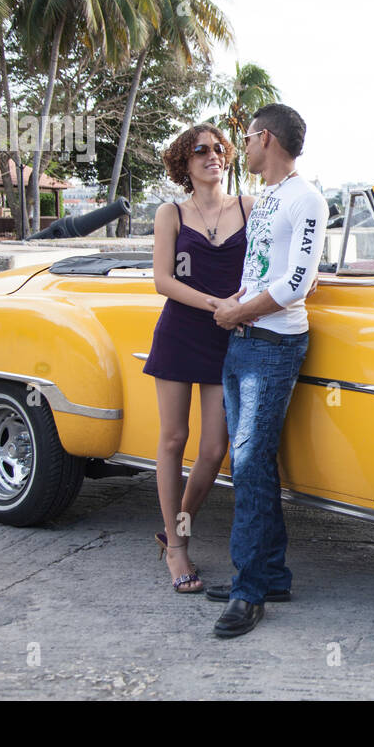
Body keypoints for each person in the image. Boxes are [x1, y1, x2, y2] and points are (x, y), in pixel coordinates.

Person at [206, 103, 329, 638]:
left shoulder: (306, 199)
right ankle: (269, 573)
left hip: (272, 345)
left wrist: (239, 311)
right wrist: (238, 298)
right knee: (251, 462)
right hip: (246, 338)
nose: (243, 146)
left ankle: (248, 590)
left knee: (249, 463)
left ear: (268, 139)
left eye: (247, 136)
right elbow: (263, 269)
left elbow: (298, 282)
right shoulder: (269, 199)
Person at [143, 123, 253, 594]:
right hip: (181, 332)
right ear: (184, 164)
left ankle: (175, 528)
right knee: (173, 439)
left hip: (227, 338)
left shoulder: (250, 207)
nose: (213, 155)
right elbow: (162, 281)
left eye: (219, 149)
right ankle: (177, 550)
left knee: (213, 449)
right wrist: (215, 304)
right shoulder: (171, 213)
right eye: (200, 151)